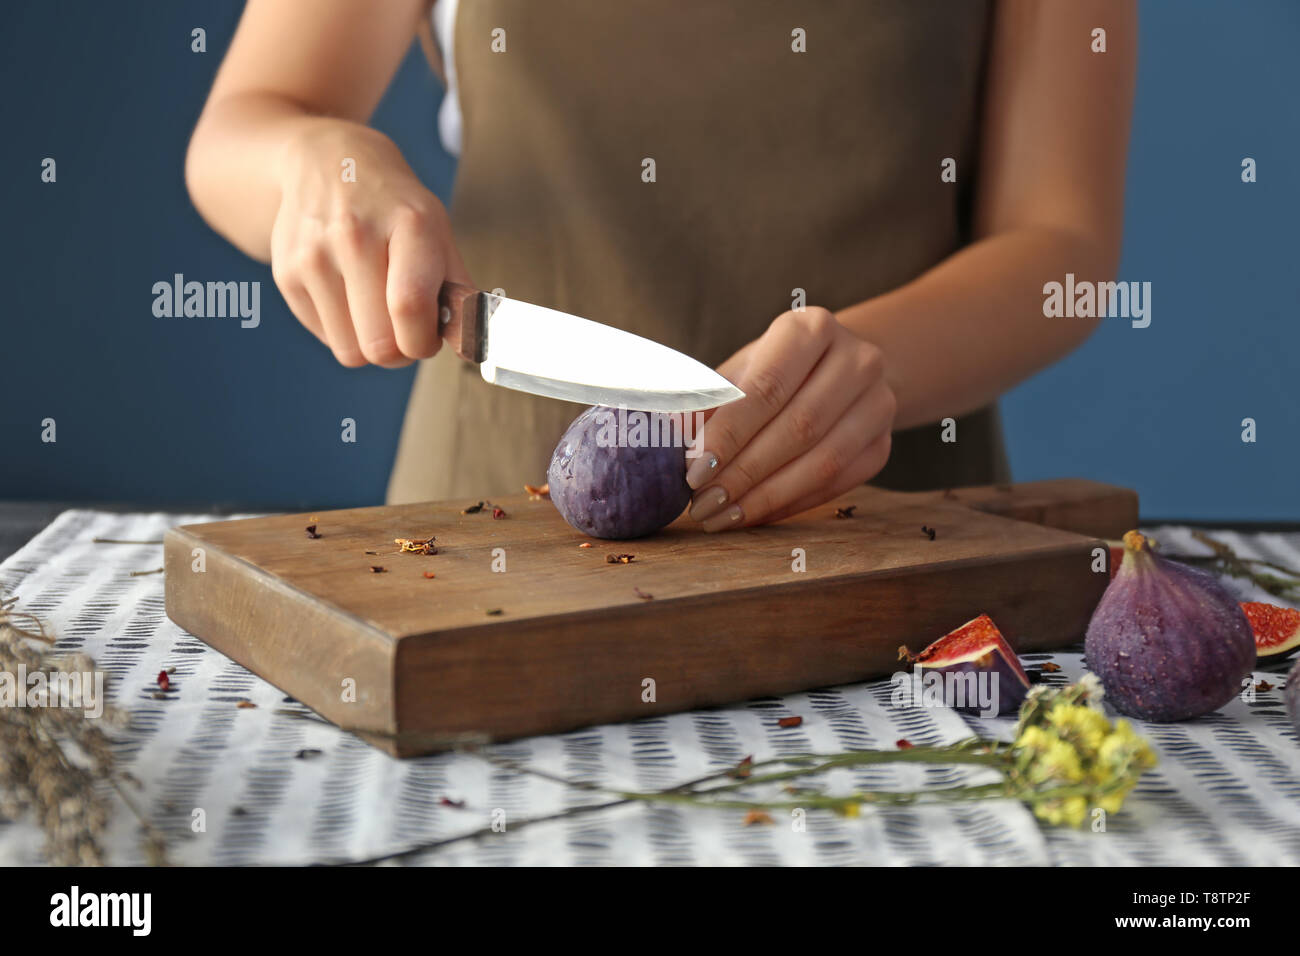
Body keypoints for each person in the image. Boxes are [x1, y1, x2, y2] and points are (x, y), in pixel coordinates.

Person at [186, 1, 1135, 532]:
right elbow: (242, 126)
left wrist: (875, 365)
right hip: (482, 536)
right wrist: (316, 162)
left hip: (890, 546)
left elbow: (1064, 245)